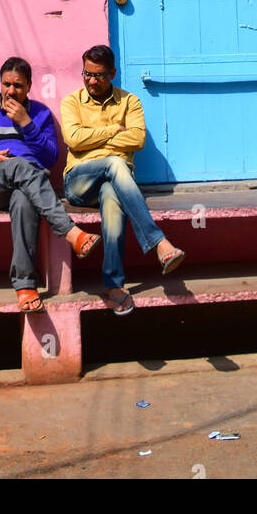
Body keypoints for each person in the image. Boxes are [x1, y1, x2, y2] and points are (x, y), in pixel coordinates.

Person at [0, 56, 99, 313]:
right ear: (0, 83)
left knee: (24, 202)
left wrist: (26, 123)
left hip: (29, 187)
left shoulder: (41, 115)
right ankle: (69, 231)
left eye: (18, 85)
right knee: (18, 164)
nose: (11, 90)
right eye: (6, 84)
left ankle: (25, 286)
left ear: (29, 86)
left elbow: (50, 157)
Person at [61, 45, 185, 315]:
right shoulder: (72, 102)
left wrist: (92, 138)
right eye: (87, 74)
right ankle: (158, 243)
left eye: (100, 75)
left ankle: (114, 284)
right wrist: (114, 131)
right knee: (116, 162)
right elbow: (72, 139)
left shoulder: (130, 102)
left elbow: (137, 139)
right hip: (79, 182)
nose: (92, 81)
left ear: (113, 73)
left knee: (113, 205)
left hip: (114, 183)